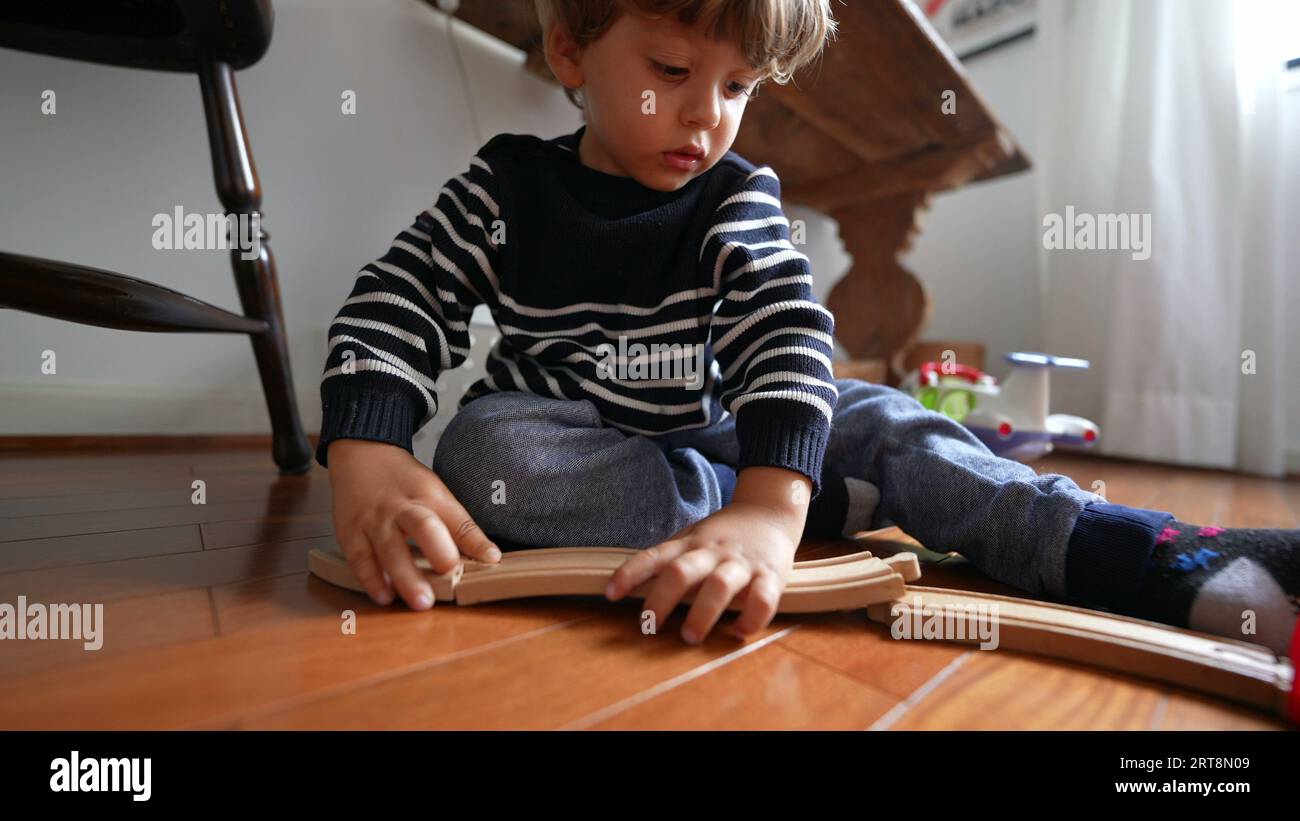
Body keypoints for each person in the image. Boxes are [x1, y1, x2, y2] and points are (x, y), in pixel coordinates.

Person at [318, 0, 1299, 655]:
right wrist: (364, 449)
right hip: (581, 445)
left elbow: (785, 332)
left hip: (735, 426)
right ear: (572, 46)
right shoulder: (507, 187)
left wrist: (768, 502)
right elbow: (400, 293)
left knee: (889, 417)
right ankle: (813, 491)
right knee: (483, 447)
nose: (706, 115)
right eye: (672, 67)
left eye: (740, 86)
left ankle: (1151, 554)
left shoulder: (733, 197)